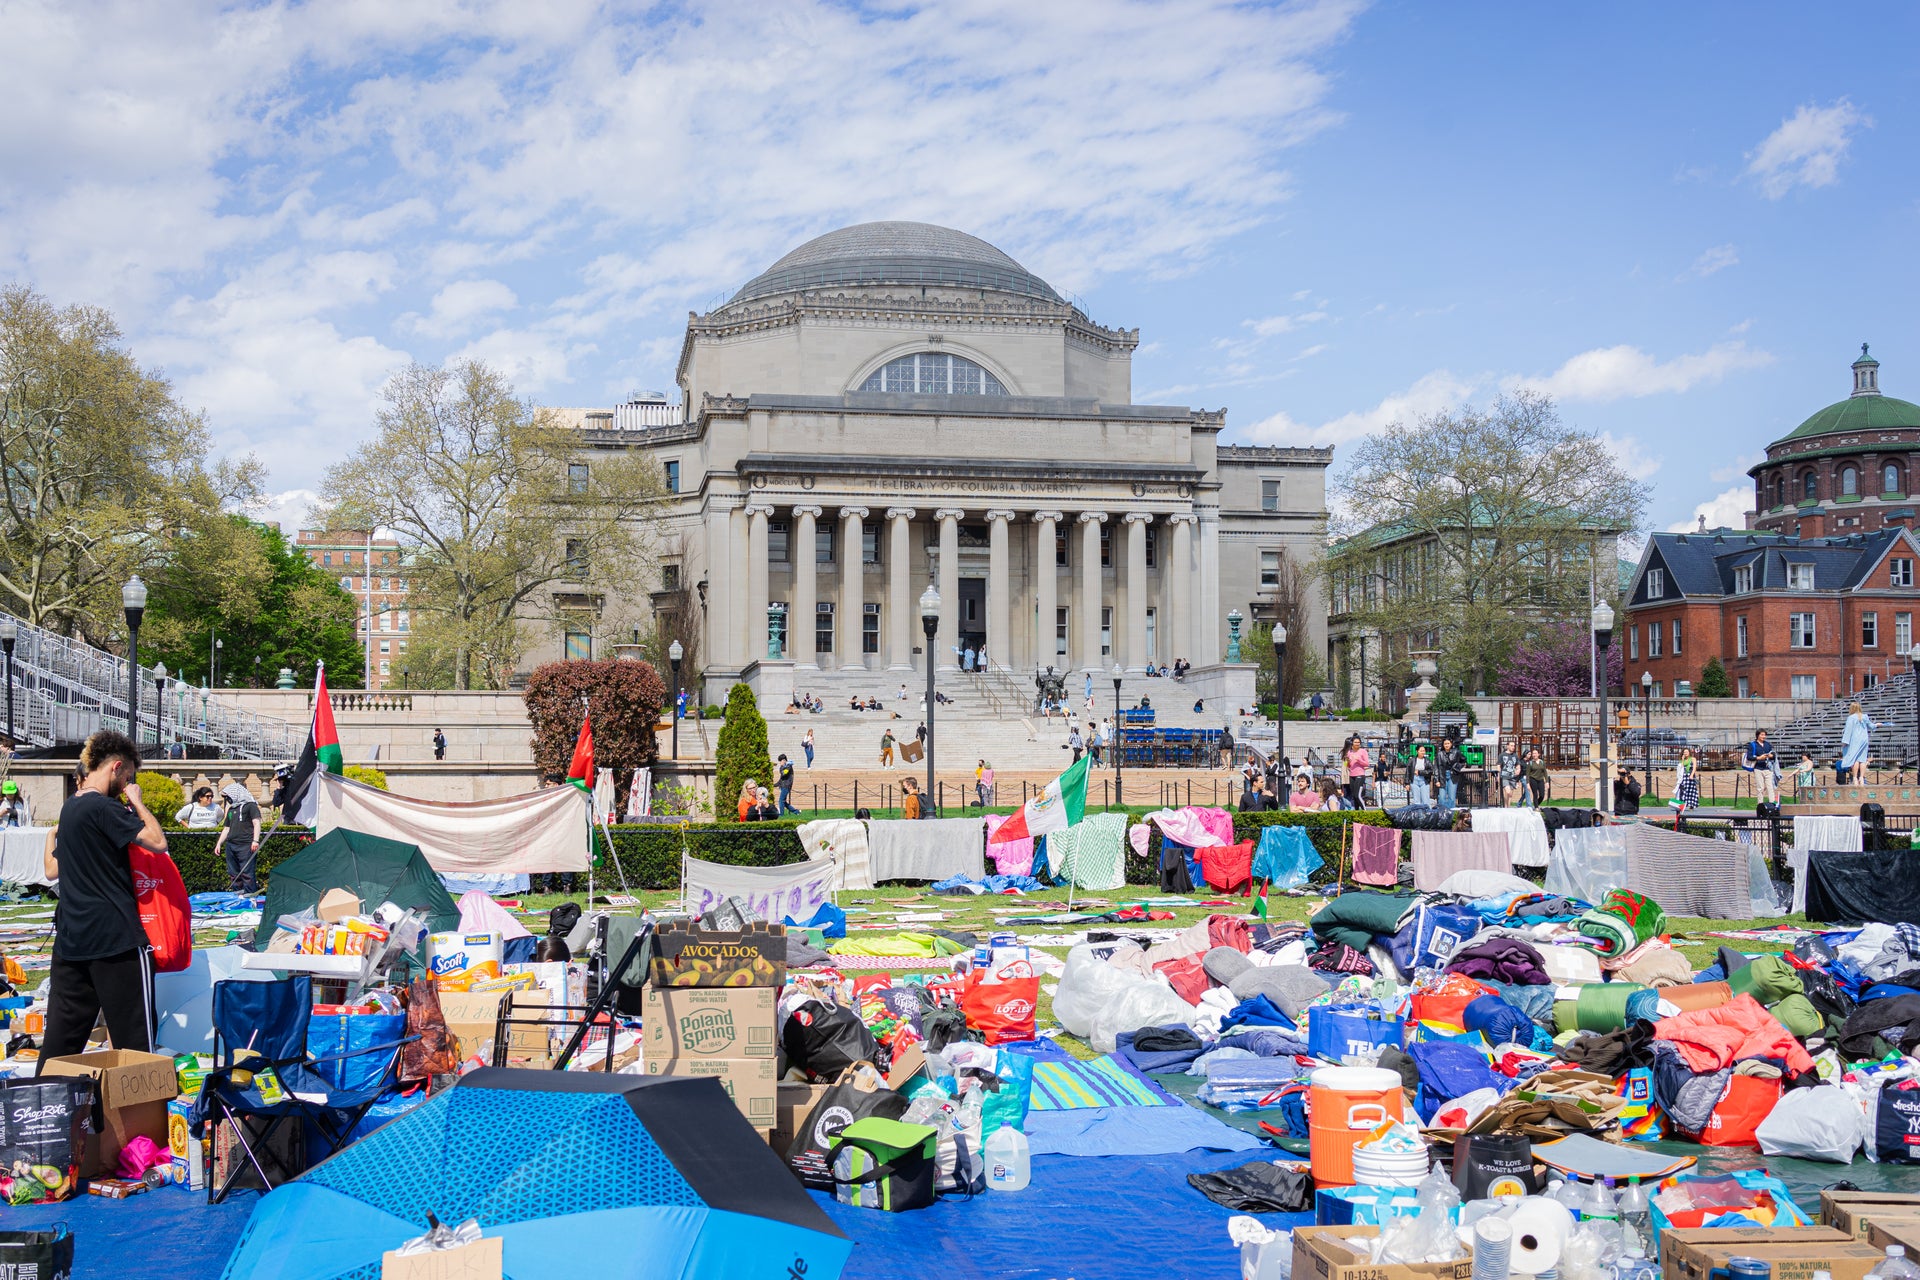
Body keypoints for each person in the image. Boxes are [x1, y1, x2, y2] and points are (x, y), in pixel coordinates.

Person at [39, 730, 167, 1063]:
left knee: (60, 1046)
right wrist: (137, 802)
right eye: (127, 777)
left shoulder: (71, 809)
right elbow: (157, 841)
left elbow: (55, 868)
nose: (126, 784)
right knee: (137, 1046)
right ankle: (141, 1114)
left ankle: (44, 1109)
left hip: (72, 940)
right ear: (117, 767)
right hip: (115, 940)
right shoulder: (103, 808)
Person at [211, 781, 262, 893]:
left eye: (228, 796)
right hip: (231, 844)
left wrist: (255, 840)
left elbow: (256, 823)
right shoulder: (231, 809)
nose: (227, 799)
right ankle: (237, 894)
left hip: (246, 844)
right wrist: (219, 843)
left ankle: (250, 895)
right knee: (233, 872)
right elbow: (226, 828)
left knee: (247, 872)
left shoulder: (251, 806)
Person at [1839, 702, 1877, 784]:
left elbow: (1848, 730)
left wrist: (1845, 741)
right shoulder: (1865, 716)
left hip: (1855, 740)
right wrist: (1877, 725)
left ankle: (1855, 778)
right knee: (1862, 759)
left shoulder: (1851, 718)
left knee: (1855, 759)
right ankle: (1862, 778)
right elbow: (1871, 726)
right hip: (1864, 739)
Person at [1743, 729, 1778, 806]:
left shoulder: (1767, 744)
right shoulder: (1752, 745)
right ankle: (1760, 805)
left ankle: (1772, 804)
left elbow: (1773, 755)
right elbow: (1749, 757)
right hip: (1758, 768)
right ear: (1757, 735)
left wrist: (1771, 756)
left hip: (1768, 768)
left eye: (1764, 735)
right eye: (1762, 735)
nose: (1763, 736)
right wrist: (1759, 758)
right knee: (1760, 788)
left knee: (1770, 787)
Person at [1342, 736, 1371, 808]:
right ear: (1352, 743)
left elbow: (1367, 764)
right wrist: (1347, 761)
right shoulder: (1349, 752)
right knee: (1354, 796)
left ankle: (1365, 811)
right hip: (1352, 775)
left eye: (1358, 742)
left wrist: (1359, 760)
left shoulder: (1363, 751)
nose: (1357, 744)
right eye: (1355, 742)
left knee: (1357, 795)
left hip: (1360, 774)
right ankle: (1356, 811)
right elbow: (1347, 765)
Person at [1670, 747, 1700, 813]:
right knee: (1683, 790)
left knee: (1691, 791)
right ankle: (1683, 804)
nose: (1685, 753)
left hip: (1690, 776)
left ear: (1689, 752)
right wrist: (1683, 760)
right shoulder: (1682, 760)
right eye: (1684, 752)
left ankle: (1692, 805)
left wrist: (1692, 774)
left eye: (1686, 752)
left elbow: (1694, 767)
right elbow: (1681, 767)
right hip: (1684, 777)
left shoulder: (1693, 759)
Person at [1498, 742, 1522, 807]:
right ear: (1507, 746)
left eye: (1514, 746)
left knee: (1510, 794)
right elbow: (1498, 766)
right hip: (1505, 776)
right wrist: (1498, 776)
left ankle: (1508, 807)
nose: (1513, 747)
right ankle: (1505, 806)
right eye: (1511, 746)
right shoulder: (1502, 755)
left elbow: (1518, 765)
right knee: (1508, 791)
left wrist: (1518, 770)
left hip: (1513, 776)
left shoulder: (1515, 755)